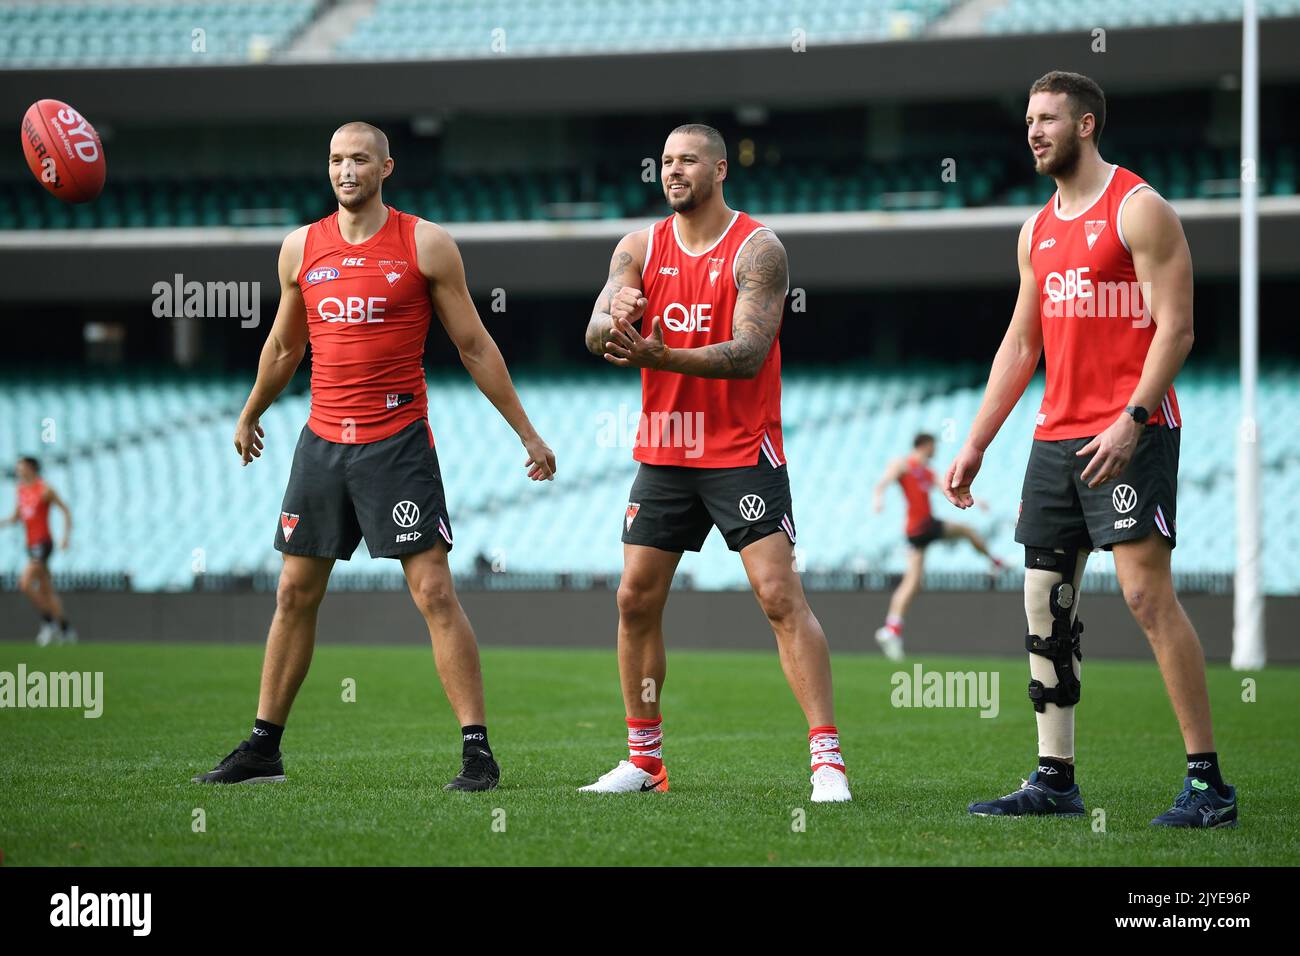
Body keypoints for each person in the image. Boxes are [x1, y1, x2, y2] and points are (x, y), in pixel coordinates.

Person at [193, 122, 555, 791]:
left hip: (397, 444)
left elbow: (475, 346)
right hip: (322, 443)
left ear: (386, 166)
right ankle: (263, 747)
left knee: (434, 592)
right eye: (334, 159)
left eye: (359, 158)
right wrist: (250, 413)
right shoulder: (301, 248)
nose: (345, 169)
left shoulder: (425, 244)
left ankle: (477, 751)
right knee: (294, 594)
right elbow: (282, 348)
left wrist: (527, 434)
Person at [944, 72, 1235, 827]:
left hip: (1132, 428)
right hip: (1056, 436)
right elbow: (1020, 343)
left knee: (1144, 595)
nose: (1034, 131)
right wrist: (977, 441)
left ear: (1087, 125)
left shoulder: (1140, 211)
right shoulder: (1035, 229)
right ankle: (1054, 779)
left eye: (1049, 119)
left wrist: (1132, 418)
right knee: (1045, 600)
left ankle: (1208, 785)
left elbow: (1177, 329)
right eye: (1029, 119)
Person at [579, 124, 850, 803]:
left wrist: (660, 355)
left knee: (778, 597)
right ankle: (644, 761)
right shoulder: (637, 247)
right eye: (666, 162)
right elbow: (592, 331)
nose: (674, 171)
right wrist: (617, 317)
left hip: (738, 448)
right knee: (634, 599)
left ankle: (827, 762)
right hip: (666, 448)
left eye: (688, 160)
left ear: (720, 168)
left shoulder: (758, 250)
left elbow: (749, 352)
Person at [872, 433, 1003, 660]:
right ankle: (995, 561)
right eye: (934, 446)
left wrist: (977, 499)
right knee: (966, 530)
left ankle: (891, 629)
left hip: (921, 529)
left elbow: (946, 487)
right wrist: (879, 497)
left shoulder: (927, 471)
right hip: (921, 527)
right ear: (925, 445)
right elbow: (885, 480)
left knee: (913, 582)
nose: (936, 450)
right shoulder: (905, 464)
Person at [5, 456, 76, 645]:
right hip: (30, 545)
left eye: (21, 467)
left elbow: (65, 510)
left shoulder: (44, 489)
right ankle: (66, 629)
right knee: (47, 591)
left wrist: (65, 538)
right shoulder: (20, 490)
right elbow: (16, 517)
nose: (18, 470)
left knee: (25, 583)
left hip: (43, 544)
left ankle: (48, 622)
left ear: (31, 468)